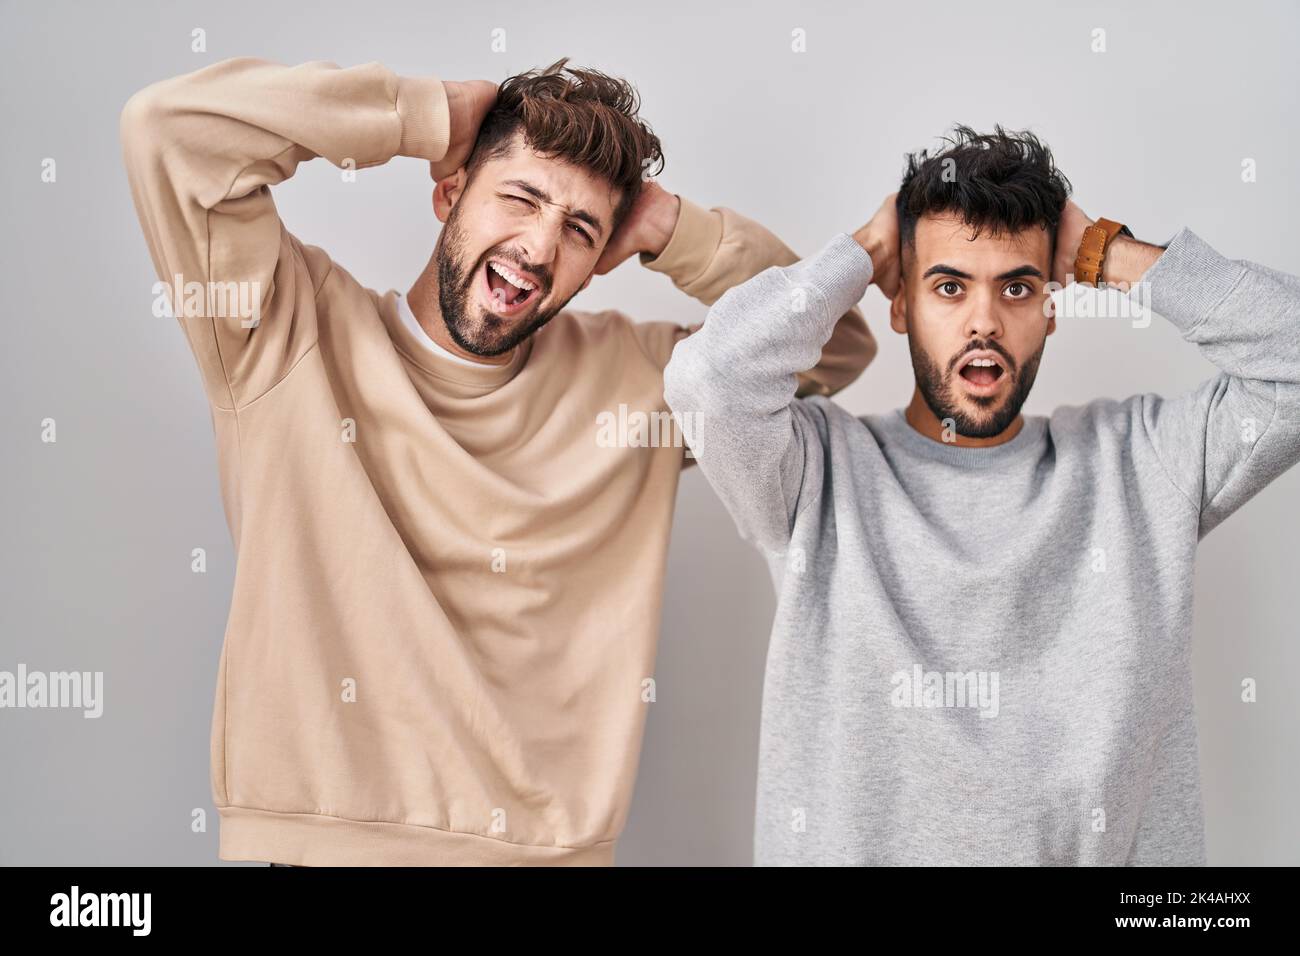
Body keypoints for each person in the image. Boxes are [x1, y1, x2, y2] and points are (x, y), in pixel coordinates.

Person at [119, 56, 875, 866]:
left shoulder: (632, 385)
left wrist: (669, 228)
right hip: (315, 850)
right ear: (449, 193)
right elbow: (169, 133)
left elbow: (834, 342)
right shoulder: (282, 329)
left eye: (581, 230)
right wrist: (428, 117)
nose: (541, 246)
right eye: (520, 197)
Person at [663, 125, 1300, 865]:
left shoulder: (1142, 463)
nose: (983, 322)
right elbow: (708, 380)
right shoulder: (814, 473)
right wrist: (868, 252)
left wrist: (1106, 251)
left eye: (1018, 287)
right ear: (900, 304)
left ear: (1053, 308)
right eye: (948, 285)